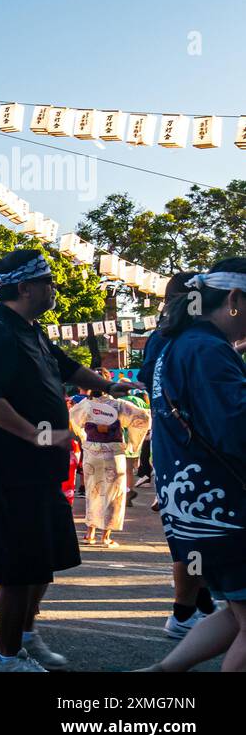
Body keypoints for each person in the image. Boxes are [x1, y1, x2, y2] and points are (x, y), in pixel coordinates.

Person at [0, 249, 132, 672]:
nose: (53, 289)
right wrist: (40, 436)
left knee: (42, 560)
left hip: (35, 473)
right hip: (5, 471)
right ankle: (5, 658)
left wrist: (120, 384)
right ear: (25, 288)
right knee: (16, 568)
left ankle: (24, 637)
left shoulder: (30, 331)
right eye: (48, 282)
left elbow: (70, 369)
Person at [141, 258, 246, 672]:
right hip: (226, 508)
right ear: (235, 299)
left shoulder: (171, 343)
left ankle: (160, 672)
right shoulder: (206, 349)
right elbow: (235, 430)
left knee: (237, 612)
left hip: (191, 505)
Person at [137, 273, 217, 639]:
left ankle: (201, 607)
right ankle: (184, 613)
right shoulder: (196, 343)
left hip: (171, 449)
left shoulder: (161, 339)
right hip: (192, 451)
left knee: (188, 536)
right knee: (194, 537)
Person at [69, 387, 149, 547]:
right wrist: (133, 442)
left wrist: (85, 435)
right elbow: (143, 417)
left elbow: (73, 415)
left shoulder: (86, 405)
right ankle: (106, 537)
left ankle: (89, 533)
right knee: (113, 494)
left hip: (92, 452)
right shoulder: (118, 405)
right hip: (113, 451)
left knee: (92, 491)